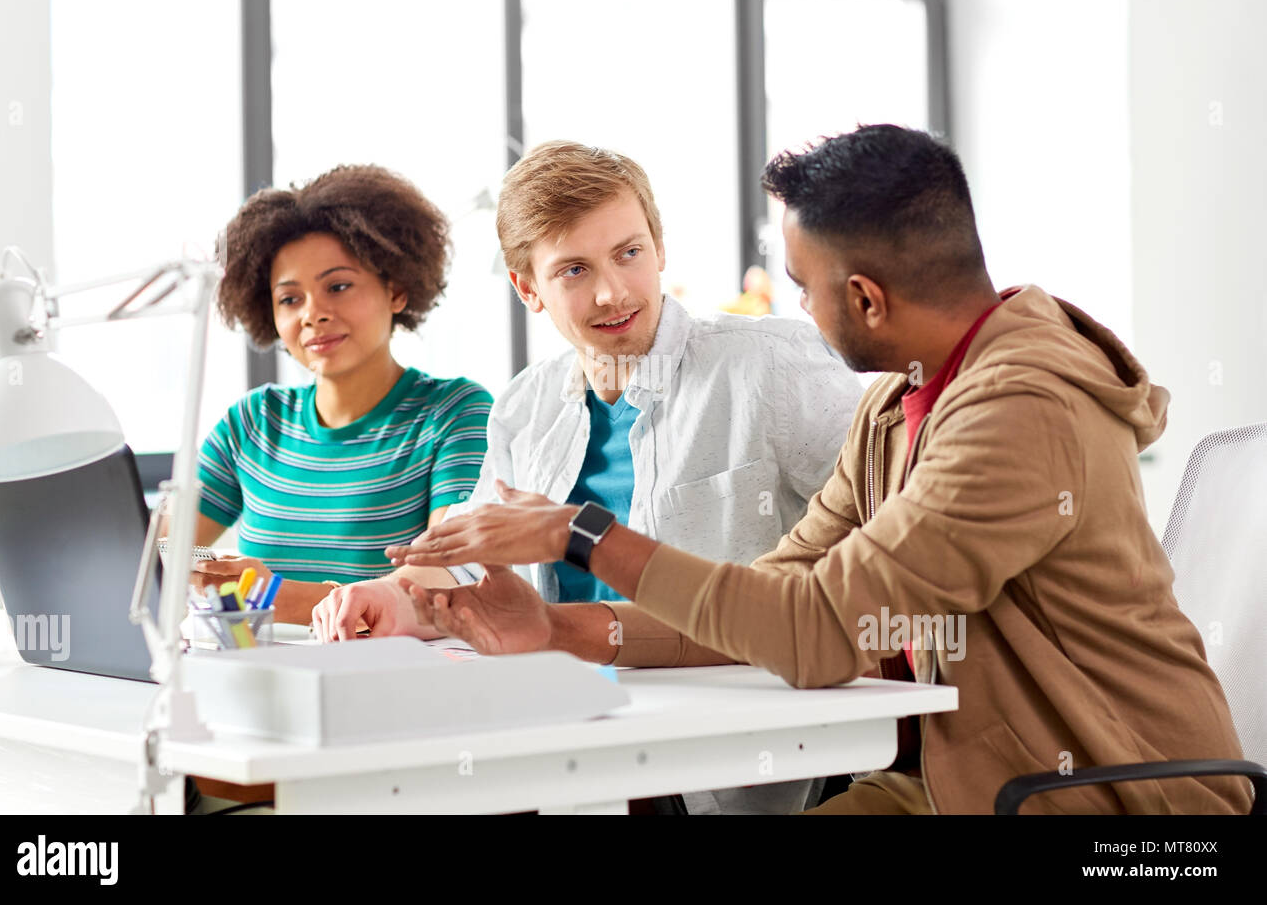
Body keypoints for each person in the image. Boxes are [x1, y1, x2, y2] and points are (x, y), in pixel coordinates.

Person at [388, 125, 1252, 815]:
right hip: (971, 776)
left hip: (1127, 804)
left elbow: (819, 631)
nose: (794, 308)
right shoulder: (894, 411)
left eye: (804, 286)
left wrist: (577, 533)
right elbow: (764, 602)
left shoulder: (1019, 414)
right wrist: (555, 628)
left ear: (866, 296)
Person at [313, 141, 864, 813]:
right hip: (569, 744)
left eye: (629, 253)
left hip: (719, 765)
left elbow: (881, 541)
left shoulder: (772, 367)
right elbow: (471, 559)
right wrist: (388, 600)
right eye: (574, 269)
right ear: (527, 287)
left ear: (659, 247)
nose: (612, 291)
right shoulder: (525, 407)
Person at [180, 164, 493, 626]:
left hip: (386, 680)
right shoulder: (251, 423)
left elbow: (445, 578)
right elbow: (164, 545)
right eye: (289, 299)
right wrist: (201, 569)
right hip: (260, 674)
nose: (313, 314)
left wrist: (268, 597)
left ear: (397, 291)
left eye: (338, 286)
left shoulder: (453, 414)